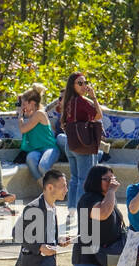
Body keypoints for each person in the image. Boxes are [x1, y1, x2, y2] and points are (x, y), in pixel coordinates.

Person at [60, 72, 105, 213]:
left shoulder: (68, 101)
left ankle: (72, 210)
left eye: (85, 83)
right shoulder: (81, 101)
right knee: (83, 180)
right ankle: (82, 211)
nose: (84, 86)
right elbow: (98, 115)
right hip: (83, 145)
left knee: (74, 178)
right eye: (80, 83)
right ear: (72, 86)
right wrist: (94, 97)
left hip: (71, 144)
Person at [17, 84, 60, 181]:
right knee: (30, 159)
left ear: (32, 103)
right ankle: (44, 189)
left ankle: (59, 189)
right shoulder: (31, 115)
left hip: (50, 149)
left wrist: (20, 117)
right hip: (36, 150)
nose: (22, 107)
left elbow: (23, 129)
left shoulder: (39, 114)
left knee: (43, 166)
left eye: (24, 104)